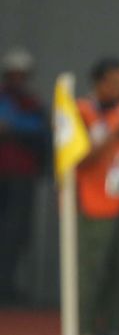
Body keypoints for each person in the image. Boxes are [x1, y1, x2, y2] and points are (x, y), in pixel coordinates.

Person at [76, 58, 119, 335]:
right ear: (98, 82)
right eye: (114, 83)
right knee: (93, 271)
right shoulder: (81, 111)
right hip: (94, 203)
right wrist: (115, 127)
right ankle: (83, 332)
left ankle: (118, 332)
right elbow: (81, 158)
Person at [0, 48, 48, 303]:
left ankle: (7, 286)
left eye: (22, 75)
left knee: (16, 233)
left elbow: (40, 130)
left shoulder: (33, 103)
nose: (17, 79)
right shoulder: (3, 98)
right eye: (13, 75)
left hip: (21, 176)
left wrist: (13, 126)